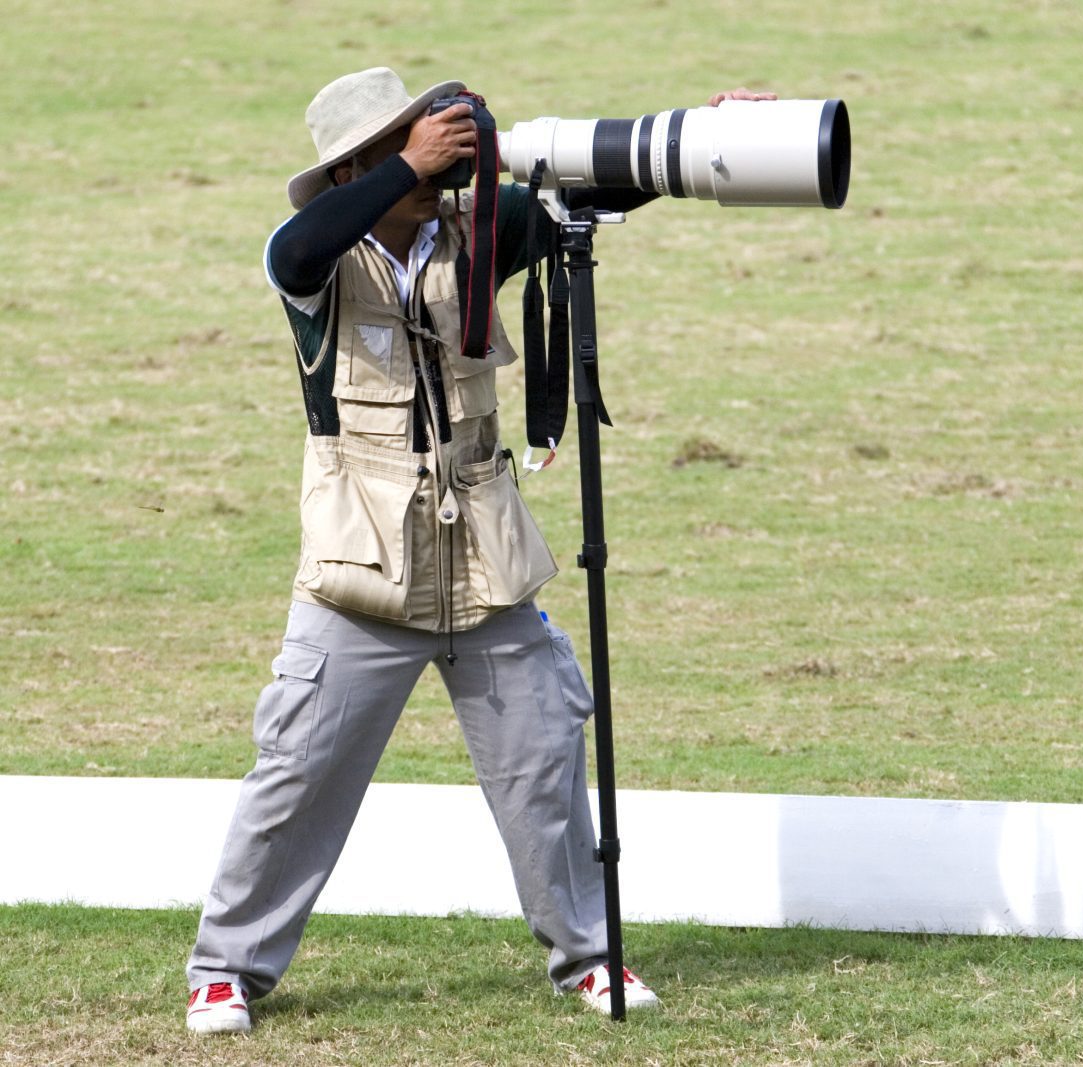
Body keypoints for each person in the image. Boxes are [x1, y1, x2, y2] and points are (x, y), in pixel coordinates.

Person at [184, 68, 775, 1034]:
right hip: (358, 573)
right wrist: (404, 168)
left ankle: (589, 955)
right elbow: (294, 243)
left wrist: (705, 138)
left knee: (545, 753)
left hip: (485, 559)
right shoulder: (314, 261)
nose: (432, 157)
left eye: (429, 138)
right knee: (297, 772)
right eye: (402, 147)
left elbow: (592, 195)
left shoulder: (473, 231)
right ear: (350, 172)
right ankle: (226, 968)